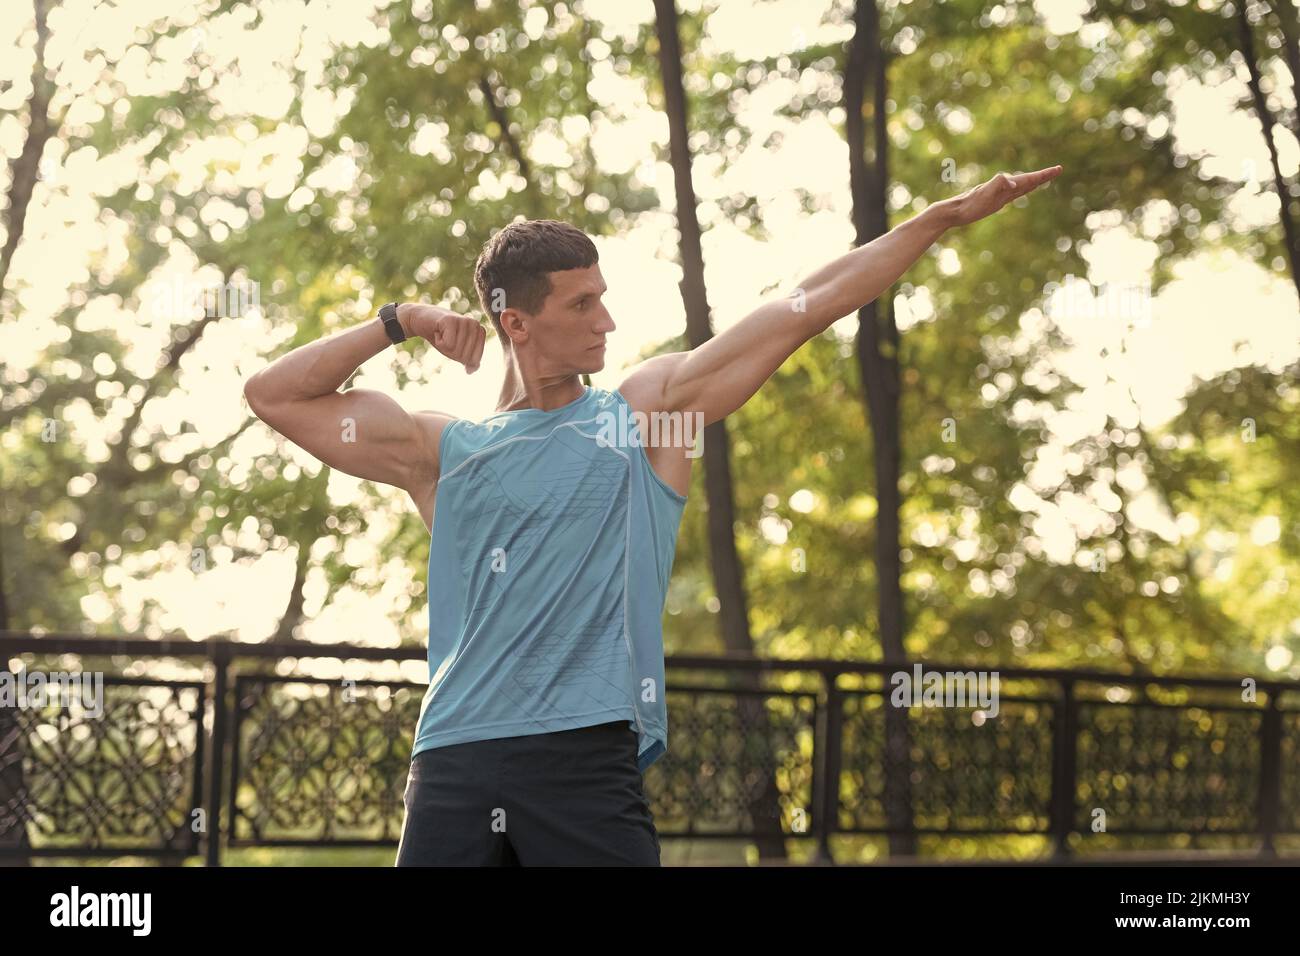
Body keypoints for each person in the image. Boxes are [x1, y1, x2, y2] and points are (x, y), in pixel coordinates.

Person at [242, 165, 1061, 865]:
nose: (607, 322)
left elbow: (804, 307)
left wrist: (937, 221)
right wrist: (398, 322)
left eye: (603, 298)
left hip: (583, 757)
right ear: (515, 323)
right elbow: (273, 396)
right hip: (452, 755)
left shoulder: (643, 416)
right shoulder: (441, 450)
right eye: (582, 306)